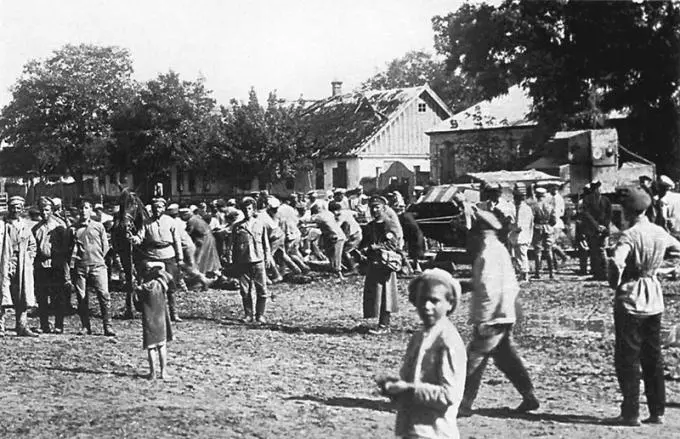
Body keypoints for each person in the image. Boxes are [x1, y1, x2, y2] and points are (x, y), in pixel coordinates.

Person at [605, 187, 680, 426]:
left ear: (626, 211)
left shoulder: (630, 235)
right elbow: (677, 248)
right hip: (654, 297)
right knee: (653, 355)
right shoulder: (659, 232)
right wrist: (666, 270)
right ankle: (657, 411)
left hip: (631, 297)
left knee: (628, 357)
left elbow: (616, 262)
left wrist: (614, 283)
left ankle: (630, 413)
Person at [459, 210, 539, 416]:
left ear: (481, 231)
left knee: (474, 359)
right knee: (506, 358)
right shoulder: (500, 249)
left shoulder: (487, 253)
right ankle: (529, 396)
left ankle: (464, 403)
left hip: (493, 316)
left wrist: (484, 320)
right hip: (506, 311)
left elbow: (488, 288)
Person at [377, 269, 466, 439]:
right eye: (422, 299)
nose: (426, 306)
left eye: (434, 301)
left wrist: (408, 390)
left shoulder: (447, 340)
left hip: (435, 431)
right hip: (413, 429)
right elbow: (414, 379)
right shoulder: (420, 336)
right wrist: (394, 388)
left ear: (449, 303)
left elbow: (449, 395)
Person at [131, 197, 184, 322]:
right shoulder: (146, 223)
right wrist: (134, 239)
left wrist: (180, 258)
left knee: (171, 286)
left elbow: (177, 241)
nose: (157, 210)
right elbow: (140, 237)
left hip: (168, 255)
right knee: (152, 286)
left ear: (164, 208)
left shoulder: (171, 221)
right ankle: (154, 312)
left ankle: (173, 313)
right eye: (155, 208)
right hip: (152, 256)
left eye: (159, 207)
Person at [70, 198, 116, 336]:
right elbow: (71, 249)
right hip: (81, 267)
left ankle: (108, 326)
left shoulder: (98, 226)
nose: (83, 211)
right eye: (81, 208)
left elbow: (105, 246)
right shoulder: (73, 229)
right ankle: (85, 326)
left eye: (86, 208)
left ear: (91, 210)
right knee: (82, 296)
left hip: (98, 266)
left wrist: (97, 259)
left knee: (104, 295)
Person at [360, 196, 403, 334]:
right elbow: (365, 242)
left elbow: (392, 244)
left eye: (377, 207)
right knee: (375, 294)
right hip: (373, 263)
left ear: (384, 208)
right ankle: (380, 323)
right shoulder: (371, 226)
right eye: (372, 207)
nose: (374, 210)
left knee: (386, 295)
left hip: (385, 264)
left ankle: (385, 325)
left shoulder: (389, 224)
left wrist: (375, 247)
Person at [32, 196, 72, 334]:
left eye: (47, 210)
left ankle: (59, 325)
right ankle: (44, 325)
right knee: (42, 297)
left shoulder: (59, 227)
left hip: (56, 265)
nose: (44, 213)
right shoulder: (36, 228)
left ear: (52, 210)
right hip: (41, 267)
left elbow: (67, 247)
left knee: (58, 296)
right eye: (42, 210)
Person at [0, 196, 38, 337]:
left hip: (21, 263)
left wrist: (29, 259)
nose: (15, 210)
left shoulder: (25, 226)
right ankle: (1, 327)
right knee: (1, 294)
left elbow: (32, 245)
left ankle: (21, 326)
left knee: (22, 294)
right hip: (4, 262)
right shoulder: (3, 225)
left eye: (18, 207)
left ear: (22, 209)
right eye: (13, 207)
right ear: (8, 208)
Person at [232, 197, 273, 324]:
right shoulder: (238, 226)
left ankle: (260, 315)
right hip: (243, 261)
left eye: (249, 209)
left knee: (262, 289)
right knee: (245, 290)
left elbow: (266, 243)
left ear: (254, 209)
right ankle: (248, 314)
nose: (247, 211)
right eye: (244, 209)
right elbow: (233, 245)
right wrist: (233, 261)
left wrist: (268, 257)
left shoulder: (260, 224)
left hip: (258, 259)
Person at [134, 261, 174, 380]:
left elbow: (137, 305)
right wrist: (153, 264)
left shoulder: (141, 289)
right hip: (161, 319)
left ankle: (152, 373)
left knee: (151, 347)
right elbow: (163, 266)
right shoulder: (161, 283)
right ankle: (163, 372)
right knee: (162, 346)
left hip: (148, 320)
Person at [581, 180, 612, 280]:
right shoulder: (590, 199)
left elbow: (609, 214)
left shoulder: (604, 200)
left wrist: (602, 226)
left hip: (599, 229)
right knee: (596, 251)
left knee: (599, 250)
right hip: (595, 229)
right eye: (597, 188)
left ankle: (604, 273)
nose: (599, 190)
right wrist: (599, 226)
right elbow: (587, 214)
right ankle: (599, 273)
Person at [184, 207, 222, 278]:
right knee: (209, 258)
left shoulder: (191, 220)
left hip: (204, 240)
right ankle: (213, 274)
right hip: (207, 238)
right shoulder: (196, 218)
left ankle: (203, 276)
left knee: (201, 258)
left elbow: (187, 233)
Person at [275, 197, 309, 274]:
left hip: (288, 234)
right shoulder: (291, 209)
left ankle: (300, 268)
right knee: (295, 252)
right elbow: (297, 220)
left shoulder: (278, 211)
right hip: (296, 233)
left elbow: (279, 225)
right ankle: (304, 266)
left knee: (286, 254)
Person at [311, 201, 346, 278]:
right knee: (330, 254)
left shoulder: (319, 216)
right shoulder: (328, 214)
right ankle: (334, 269)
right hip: (333, 236)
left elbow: (310, 219)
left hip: (337, 237)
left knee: (336, 256)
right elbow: (320, 224)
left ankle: (339, 274)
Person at [329, 201, 363, 274]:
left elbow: (336, 227)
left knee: (345, 251)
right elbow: (355, 213)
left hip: (354, 235)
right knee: (348, 250)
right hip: (355, 233)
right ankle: (355, 264)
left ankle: (354, 269)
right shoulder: (346, 212)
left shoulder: (341, 216)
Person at [508, 189, 534, 281]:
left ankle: (524, 276)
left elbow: (519, 226)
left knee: (521, 256)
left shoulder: (523, 209)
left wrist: (510, 226)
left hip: (520, 237)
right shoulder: (526, 208)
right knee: (519, 256)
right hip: (522, 236)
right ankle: (521, 274)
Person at [532, 188, 557, 279]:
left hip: (537, 228)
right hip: (548, 228)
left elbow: (532, 220)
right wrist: (548, 225)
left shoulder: (534, 206)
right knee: (548, 250)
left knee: (537, 251)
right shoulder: (550, 206)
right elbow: (554, 220)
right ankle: (551, 272)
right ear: (544, 196)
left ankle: (538, 273)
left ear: (536, 195)